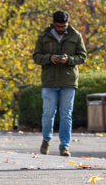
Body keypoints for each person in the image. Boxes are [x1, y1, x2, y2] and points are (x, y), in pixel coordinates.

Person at [31, 9, 87, 157]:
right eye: (58, 26)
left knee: (66, 114)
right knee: (48, 113)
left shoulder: (76, 36)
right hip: (49, 80)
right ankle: (46, 140)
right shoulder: (44, 36)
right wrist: (50, 58)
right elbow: (36, 56)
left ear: (67, 23)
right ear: (53, 23)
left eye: (64, 26)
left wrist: (68, 59)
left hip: (68, 81)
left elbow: (82, 57)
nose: (61, 29)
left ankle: (64, 146)